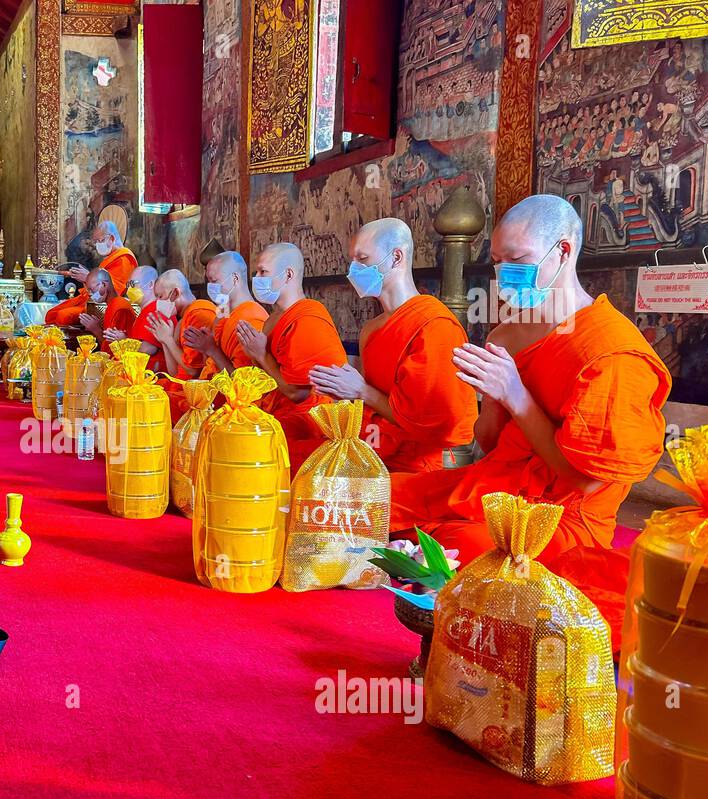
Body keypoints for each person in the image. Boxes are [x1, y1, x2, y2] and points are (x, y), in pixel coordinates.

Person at [391, 194, 671, 565]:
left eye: (518, 259)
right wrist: (492, 395)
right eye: (497, 261)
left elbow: (585, 482)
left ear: (563, 251)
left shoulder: (612, 351)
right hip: (492, 489)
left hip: (560, 521)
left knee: (461, 544)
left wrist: (516, 396)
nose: (503, 272)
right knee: (371, 496)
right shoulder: (506, 335)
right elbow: (490, 446)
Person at [309, 217, 476, 472]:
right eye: (352, 260)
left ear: (396, 257)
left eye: (362, 259)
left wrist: (361, 391)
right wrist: (344, 390)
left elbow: (434, 424)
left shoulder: (433, 325)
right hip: (372, 449)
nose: (353, 270)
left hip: (417, 466)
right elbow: (370, 402)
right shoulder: (372, 329)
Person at [236, 242, 347, 468]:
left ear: (288, 274)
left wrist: (260, 354)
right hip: (275, 410)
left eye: (263, 272)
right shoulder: (274, 318)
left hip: (306, 423)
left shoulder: (308, 317)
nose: (257, 278)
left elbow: (298, 393)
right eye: (257, 272)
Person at [182, 251, 267, 376]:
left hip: (233, 393)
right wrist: (204, 346)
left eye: (214, 281)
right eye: (209, 281)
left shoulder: (252, 318)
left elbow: (243, 383)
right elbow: (211, 363)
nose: (211, 287)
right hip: (211, 388)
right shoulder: (223, 309)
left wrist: (211, 349)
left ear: (235, 279)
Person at [44, 219, 138, 325]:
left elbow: (115, 290)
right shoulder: (110, 257)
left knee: (62, 316)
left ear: (111, 239)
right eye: (96, 241)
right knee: (52, 313)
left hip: (100, 306)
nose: (97, 245)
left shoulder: (124, 258)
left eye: (100, 240)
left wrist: (87, 277)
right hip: (89, 300)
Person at [104, 265, 159, 344]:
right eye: (128, 285)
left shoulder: (154, 311)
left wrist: (124, 340)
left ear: (150, 284)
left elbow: (148, 349)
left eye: (133, 284)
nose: (129, 289)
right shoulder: (145, 311)